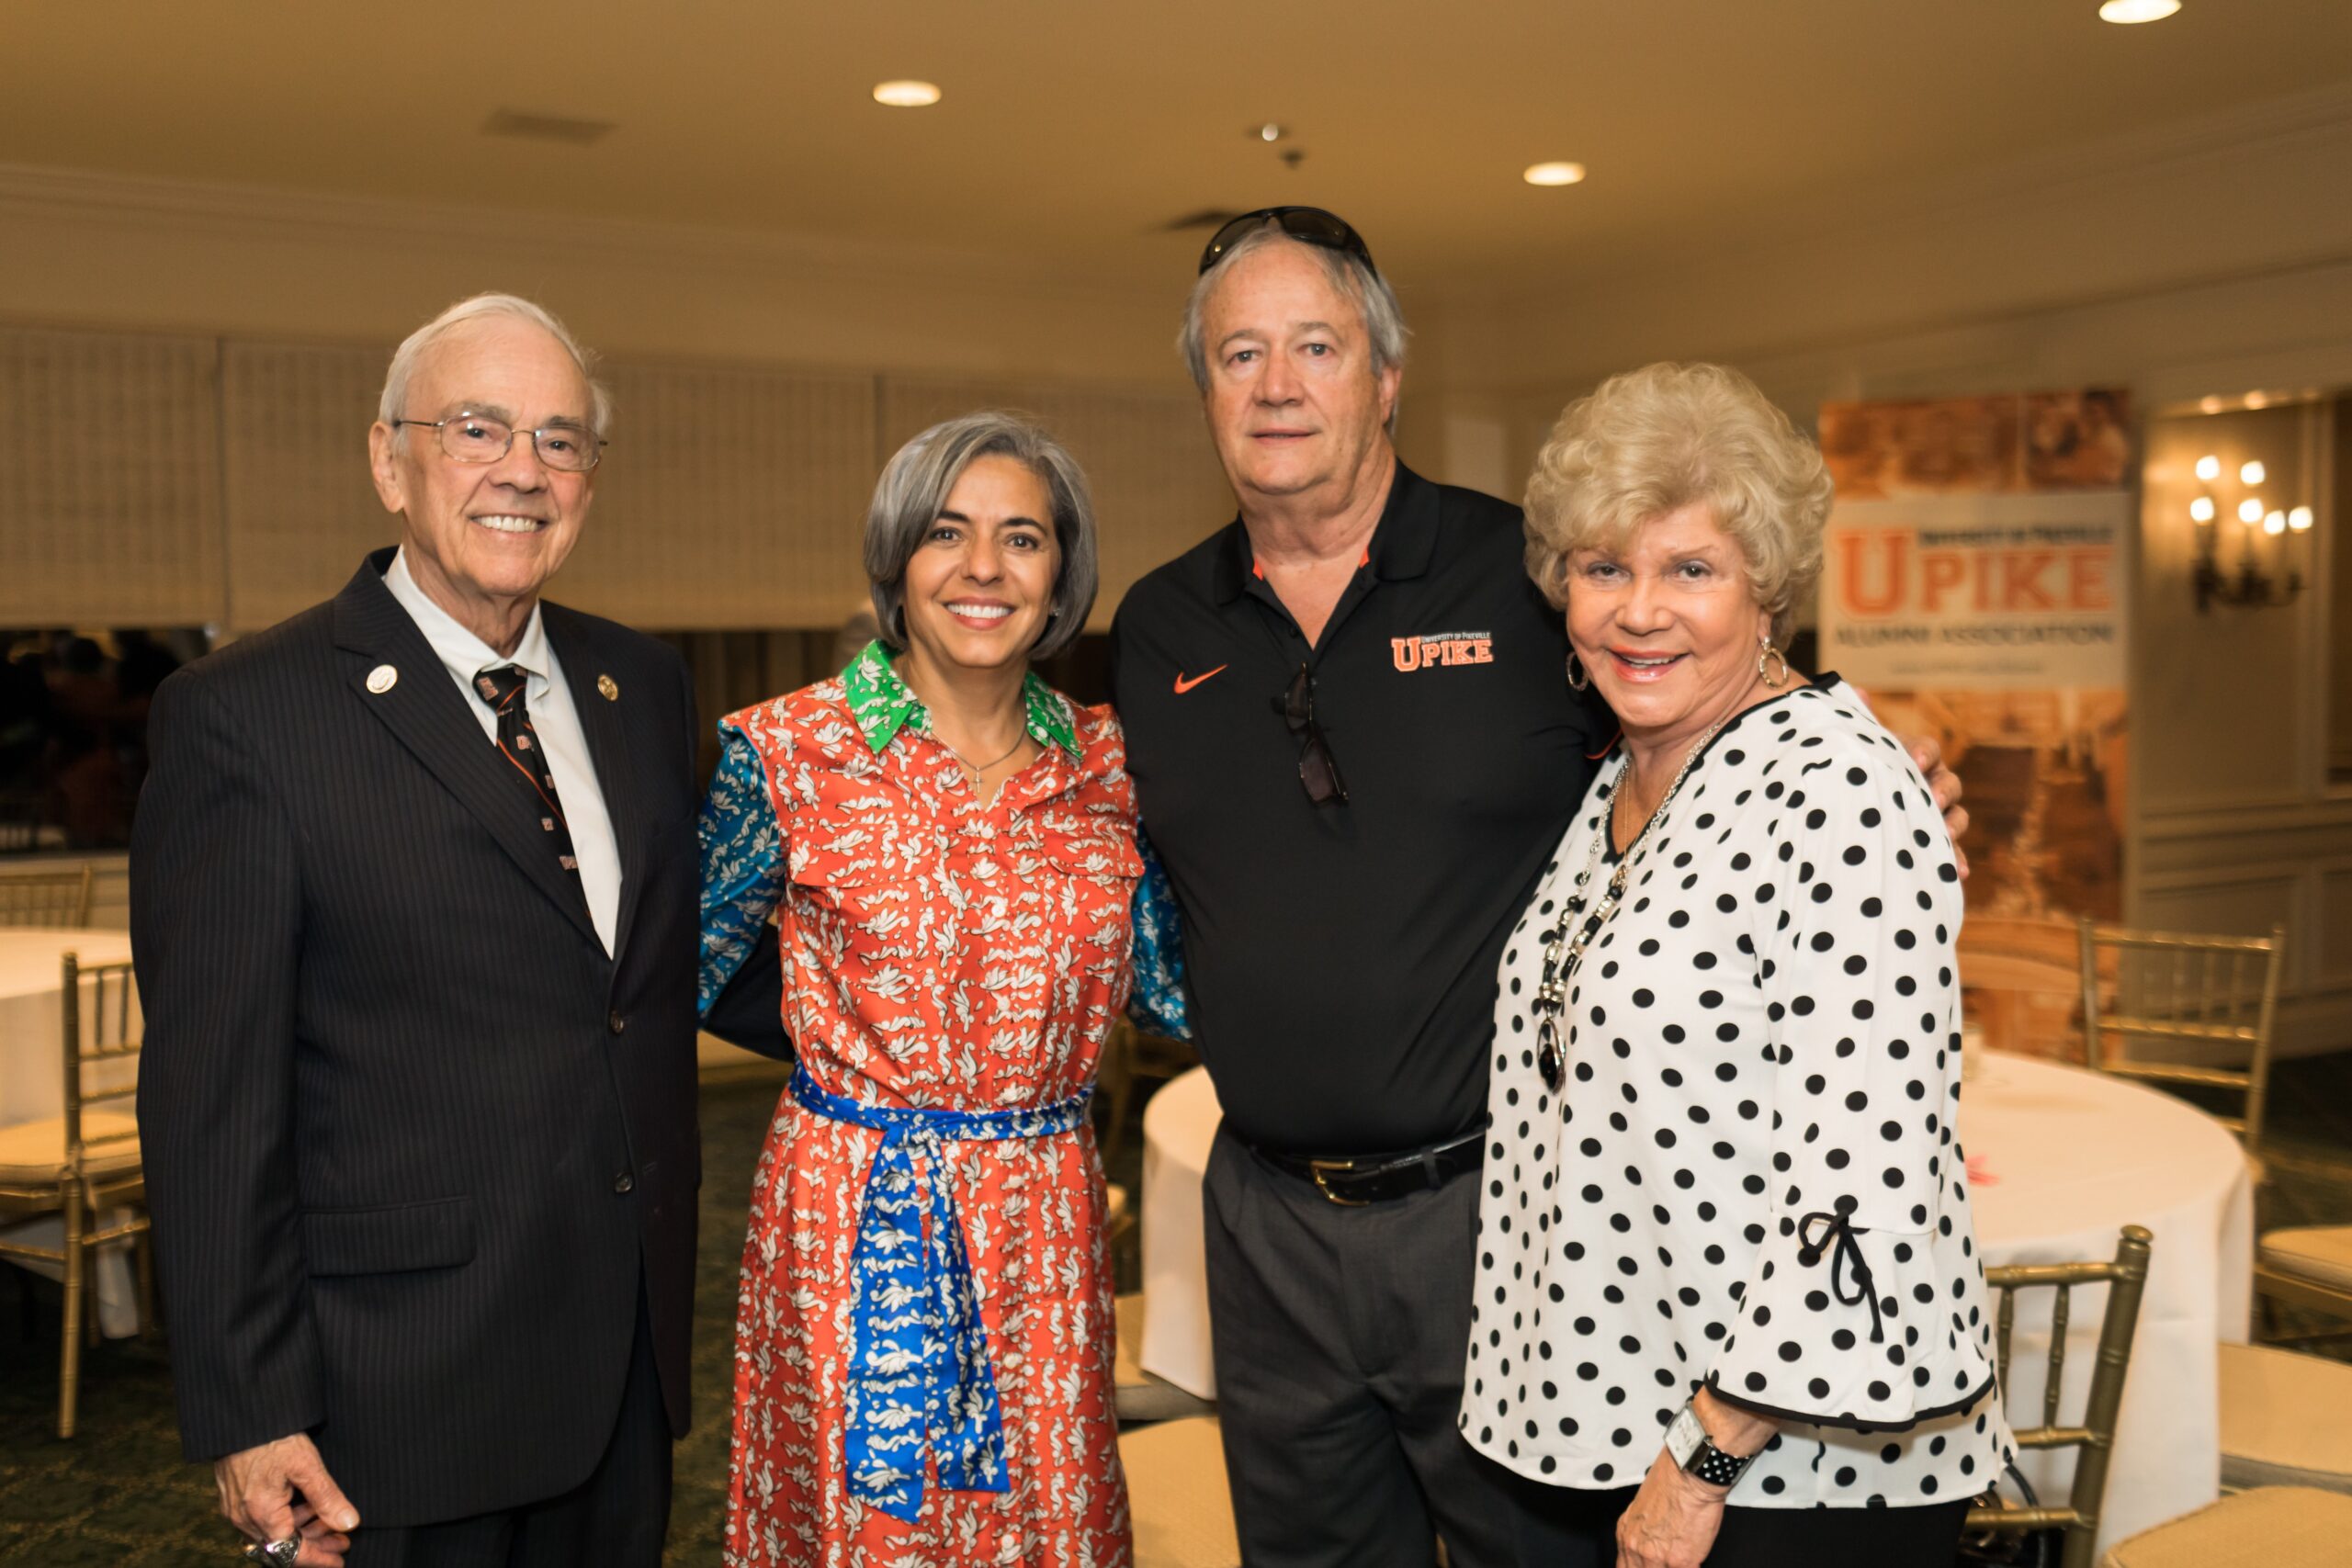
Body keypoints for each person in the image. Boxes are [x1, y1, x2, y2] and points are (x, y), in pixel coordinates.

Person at [1105, 209, 1972, 1568]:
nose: (1276, 385)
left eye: (1316, 346)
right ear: (1203, 386)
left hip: (1505, 1222)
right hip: (1268, 1223)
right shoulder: (1157, 623)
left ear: (1388, 377)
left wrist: (1886, 756)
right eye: (1239, 353)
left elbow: (1730, 709)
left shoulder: (1515, 575)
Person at [133, 294, 701, 1568]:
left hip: (622, 1373)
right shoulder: (247, 715)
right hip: (392, 1398)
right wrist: (249, 1405)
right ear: (389, 462)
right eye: (478, 429)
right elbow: (211, 1101)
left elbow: (655, 978)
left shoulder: (643, 687)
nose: (523, 471)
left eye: (561, 439)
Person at [1468, 362, 2014, 1566]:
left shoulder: (1837, 785)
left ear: (1766, 590)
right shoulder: (1627, 775)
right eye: (1604, 568)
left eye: (1690, 570)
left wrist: (1704, 1460)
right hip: (1621, 1423)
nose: (1638, 611)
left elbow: (1864, 1175)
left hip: (1791, 1473)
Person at [697, 412, 1181, 1566]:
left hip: (1046, 1217)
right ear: (895, 559)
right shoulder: (788, 752)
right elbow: (676, 972)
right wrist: (849, 1040)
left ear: (1061, 574)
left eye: (1022, 538)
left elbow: (1173, 986)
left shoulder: (1114, 765)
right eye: (945, 534)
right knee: (873, 1532)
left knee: (1048, 1522)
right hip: (854, 1211)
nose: (983, 569)